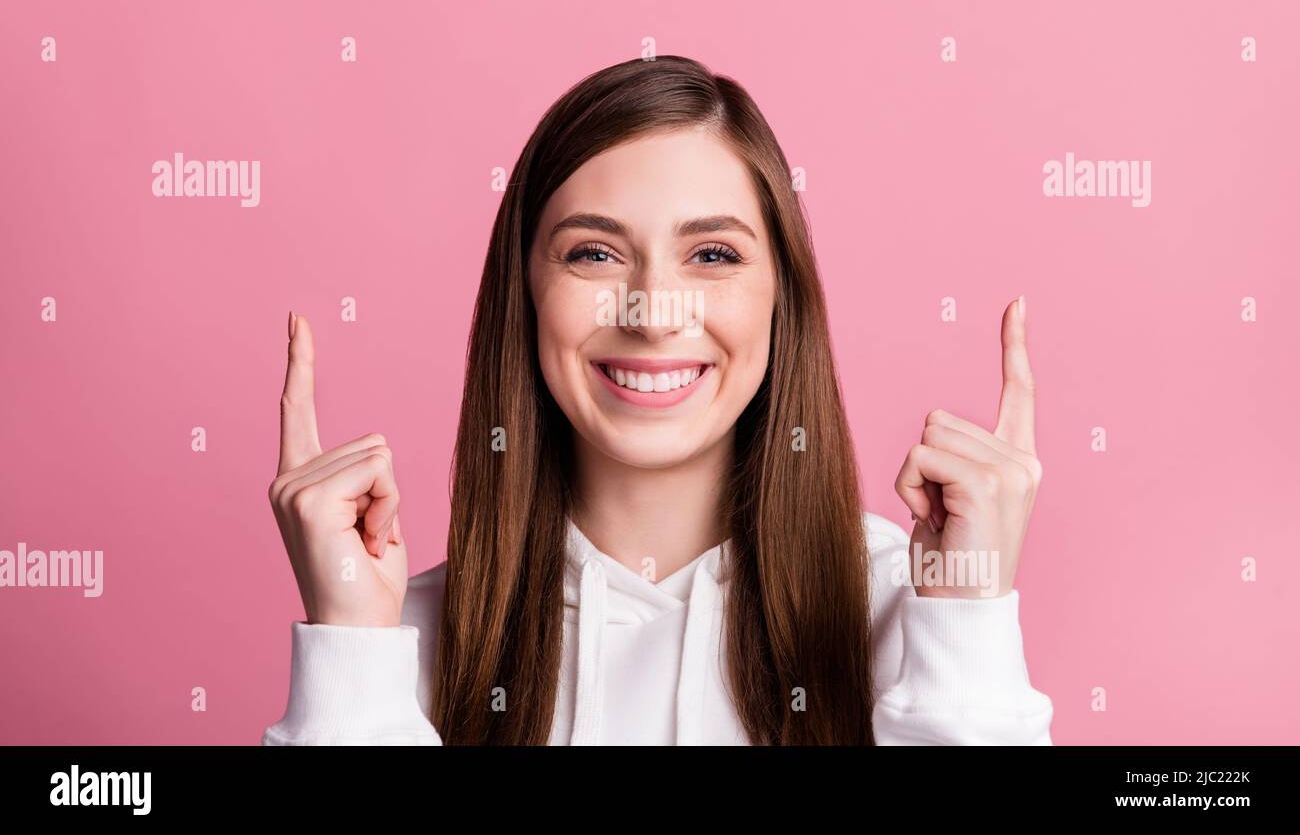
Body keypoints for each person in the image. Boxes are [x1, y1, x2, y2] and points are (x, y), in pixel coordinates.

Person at [262, 56, 1053, 745]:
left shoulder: (914, 620)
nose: (652, 311)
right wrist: (351, 653)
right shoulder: (398, 643)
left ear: (784, 298)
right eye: (595, 254)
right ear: (527, 294)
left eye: (712, 254)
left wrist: (968, 619)